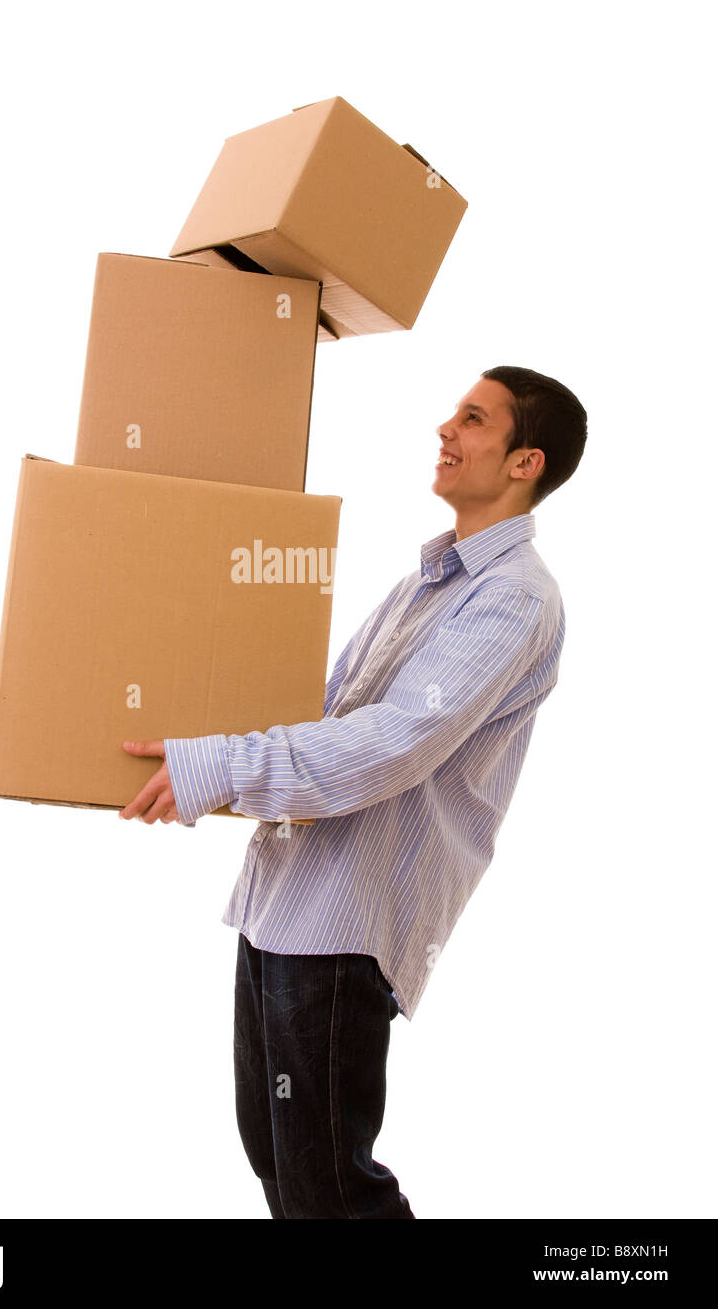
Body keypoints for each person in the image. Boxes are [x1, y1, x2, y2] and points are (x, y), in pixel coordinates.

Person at [118, 364, 588, 1219]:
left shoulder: (514, 600)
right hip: (282, 903)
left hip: (345, 923)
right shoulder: (426, 583)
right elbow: (328, 714)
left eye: (474, 420)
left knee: (331, 1190)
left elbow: (390, 745)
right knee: (278, 1164)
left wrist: (218, 766)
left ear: (526, 462)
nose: (446, 430)